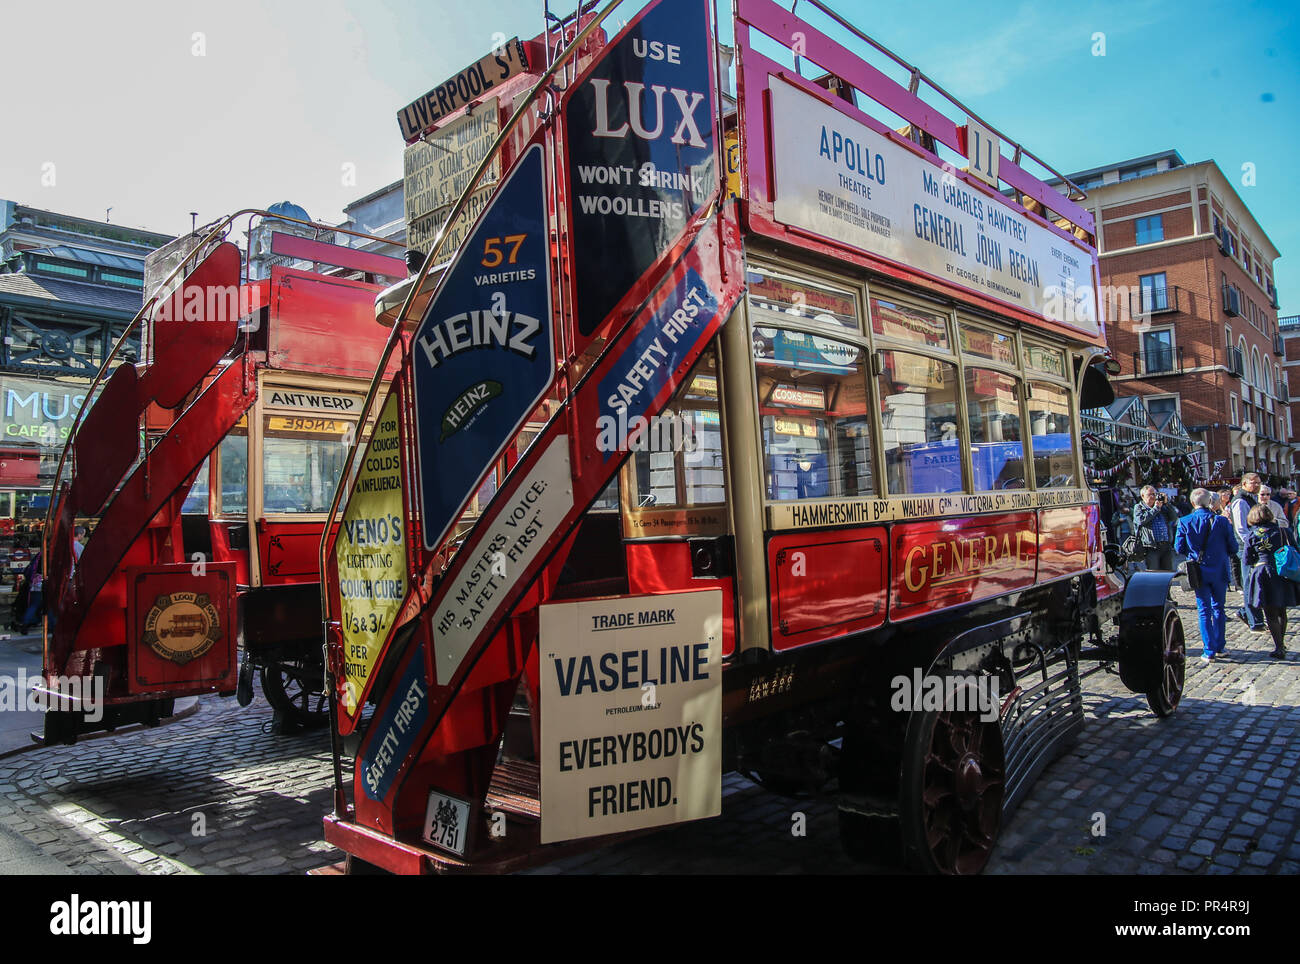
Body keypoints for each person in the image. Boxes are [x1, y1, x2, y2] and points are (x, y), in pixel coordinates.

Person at [1175, 488, 1239, 661]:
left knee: (1204, 610)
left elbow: (1178, 548)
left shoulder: (1185, 521)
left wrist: (1193, 552)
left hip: (1198, 570)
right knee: (1218, 608)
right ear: (1209, 501)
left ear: (1193, 502)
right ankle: (1220, 646)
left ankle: (1209, 650)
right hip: (1219, 569)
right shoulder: (1221, 522)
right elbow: (1233, 547)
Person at [1242, 503, 1295, 659]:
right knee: (1281, 609)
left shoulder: (1253, 534)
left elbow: (1247, 559)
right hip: (1281, 570)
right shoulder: (1283, 531)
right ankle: (1282, 643)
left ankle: (1278, 646)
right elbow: (1295, 548)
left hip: (1262, 572)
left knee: (1270, 612)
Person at [1231, 473, 1265, 629]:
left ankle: (1246, 613)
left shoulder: (1252, 498)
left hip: (1252, 545)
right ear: (1244, 484)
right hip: (1246, 548)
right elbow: (1241, 530)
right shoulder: (1240, 501)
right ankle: (1254, 621)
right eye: (1253, 483)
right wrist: (1253, 545)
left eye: (1258, 482)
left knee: (1255, 583)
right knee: (1249, 584)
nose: (1257, 485)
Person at [1133, 485, 1177, 570]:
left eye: (1155, 494)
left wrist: (1167, 504)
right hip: (1151, 546)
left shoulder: (1162, 507)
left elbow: (1174, 517)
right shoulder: (1139, 507)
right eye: (1150, 494)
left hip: (1165, 545)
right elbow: (1141, 521)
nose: (1154, 497)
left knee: (1168, 573)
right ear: (1143, 496)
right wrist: (1155, 508)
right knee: (1154, 573)